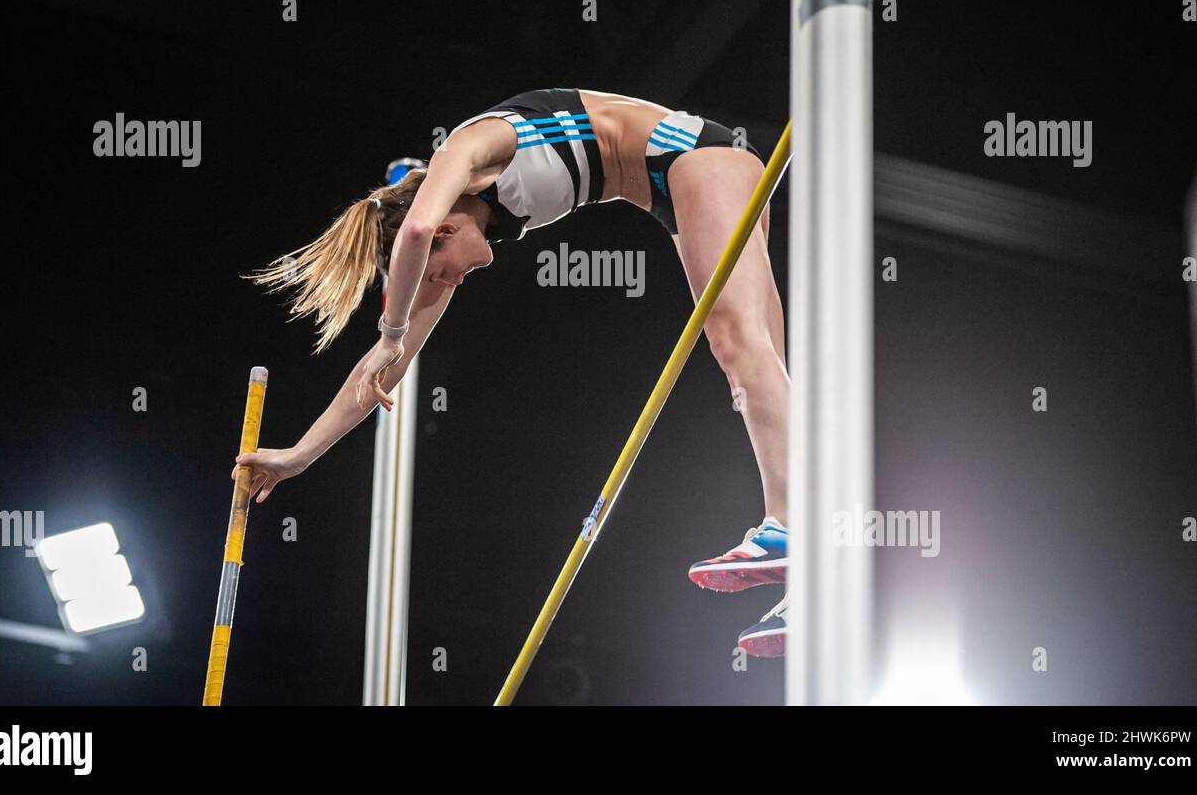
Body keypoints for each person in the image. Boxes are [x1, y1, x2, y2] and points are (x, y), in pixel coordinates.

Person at [237, 88, 790, 656]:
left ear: (446, 233)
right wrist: (299, 455)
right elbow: (384, 372)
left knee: (736, 341)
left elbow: (413, 236)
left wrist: (391, 331)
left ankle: (788, 525)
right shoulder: (460, 224)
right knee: (761, 359)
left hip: (687, 156)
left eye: (439, 275)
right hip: (674, 185)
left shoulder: (464, 149)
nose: (449, 283)